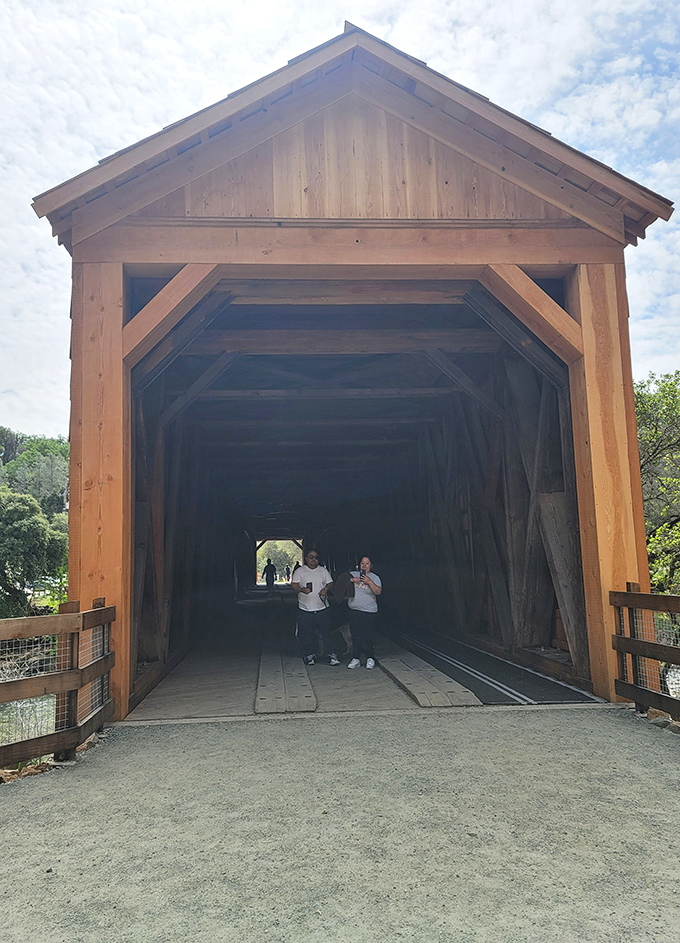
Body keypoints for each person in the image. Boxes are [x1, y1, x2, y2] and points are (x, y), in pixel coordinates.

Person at [291, 549, 339, 667]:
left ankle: (331, 654)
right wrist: (302, 589)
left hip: (322, 607)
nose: (314, 560)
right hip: (305, 608)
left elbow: (330, 583)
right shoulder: (300, 571)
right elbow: (294, 585)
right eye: (311, 557)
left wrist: (326, 589)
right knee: (306, 633)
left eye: (316, 557)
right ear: (306, 558)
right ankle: (310, 655)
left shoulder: (323, 570)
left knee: (326, 633)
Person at [347, 555, 382, 669]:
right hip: (354, 610)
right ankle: (355, 658)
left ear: (371, 565)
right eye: (362, 563)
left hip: (369, 611)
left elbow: (378, 592)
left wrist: (369, 582)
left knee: (368, 636)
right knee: (355, 636)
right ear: (359, 565)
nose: (364, 565)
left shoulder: (375, 577)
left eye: (367, 563)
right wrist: (352, 580)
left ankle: (370, 658)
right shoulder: (353, 574)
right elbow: (341, 580)